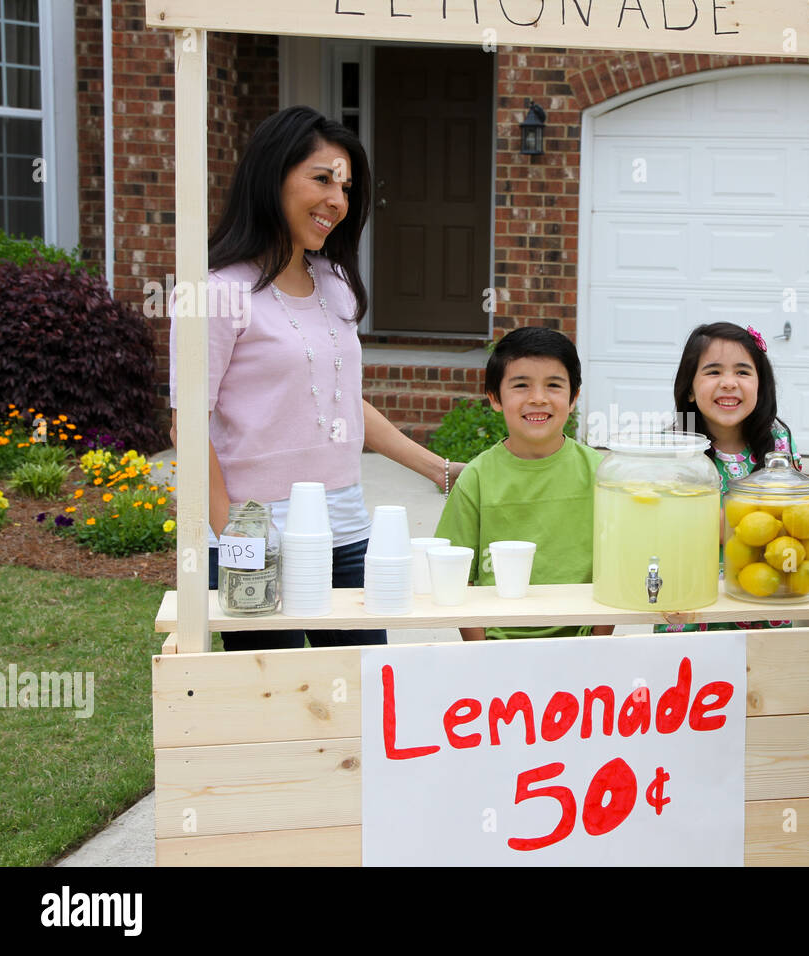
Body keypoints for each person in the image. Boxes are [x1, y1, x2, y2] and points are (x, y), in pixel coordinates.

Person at [169, 106, 459, 652]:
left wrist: (440, 471)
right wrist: (234, 535)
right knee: (270, 703)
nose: (338, 201)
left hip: (345, 531)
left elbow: (345, 404)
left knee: (363, 693)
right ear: (272, 177)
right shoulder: (214, 292)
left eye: (346, 187)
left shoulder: (335, 284)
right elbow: (188, 425)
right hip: (253, 534)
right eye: (322, 179)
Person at [433, 326, 612, 641]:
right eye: (521, 385)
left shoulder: (601, 474)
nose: (538, 398)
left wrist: (596, 642)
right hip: (497, 642)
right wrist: (482, 650)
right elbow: (456, 577)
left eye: (554, 385)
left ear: (574, 398)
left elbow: (617, 567)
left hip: (582, 641)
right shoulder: (476, 478)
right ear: (495, 398)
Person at [658, 322, 801, 633]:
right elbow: (676, 528)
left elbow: (795, 520)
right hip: (694, 608)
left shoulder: (777, 440)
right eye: (713, 372)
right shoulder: (676, 448)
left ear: (761, 385)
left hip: (767, 602)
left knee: (766, 678)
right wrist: (758, 523)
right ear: (690, 390)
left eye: (742, 371)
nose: (728, 383)